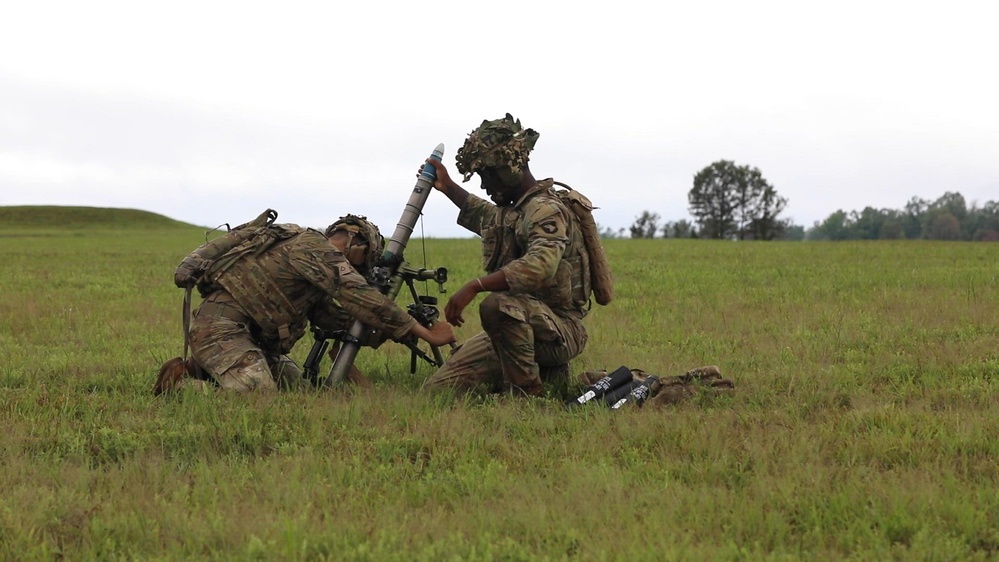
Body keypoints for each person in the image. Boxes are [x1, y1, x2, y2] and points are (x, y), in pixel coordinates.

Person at [155, 213, 455, 393]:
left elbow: (332, 319)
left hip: (256, 341)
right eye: (366, 261)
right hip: (222, 327)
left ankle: (200, 369)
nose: (363, 270)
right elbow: (357, 294)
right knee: (258, 394)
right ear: (358, 243)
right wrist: (424, 333)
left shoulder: (315, 274)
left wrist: (388, 331)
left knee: (298, 391)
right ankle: (184, 385)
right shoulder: (313, 247)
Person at [421, 114, 592, 397]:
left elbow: (540, 266)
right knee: (438, 391)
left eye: (487, 176)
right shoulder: (516, 211)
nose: (485, 187)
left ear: (509, 170)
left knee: (496, 305)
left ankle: (526, 395)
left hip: (561, 329)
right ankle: (547, 375)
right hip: (521, 324)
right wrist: (448, 186)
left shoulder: (546, 211)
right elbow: (486, 216)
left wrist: (475, 286)